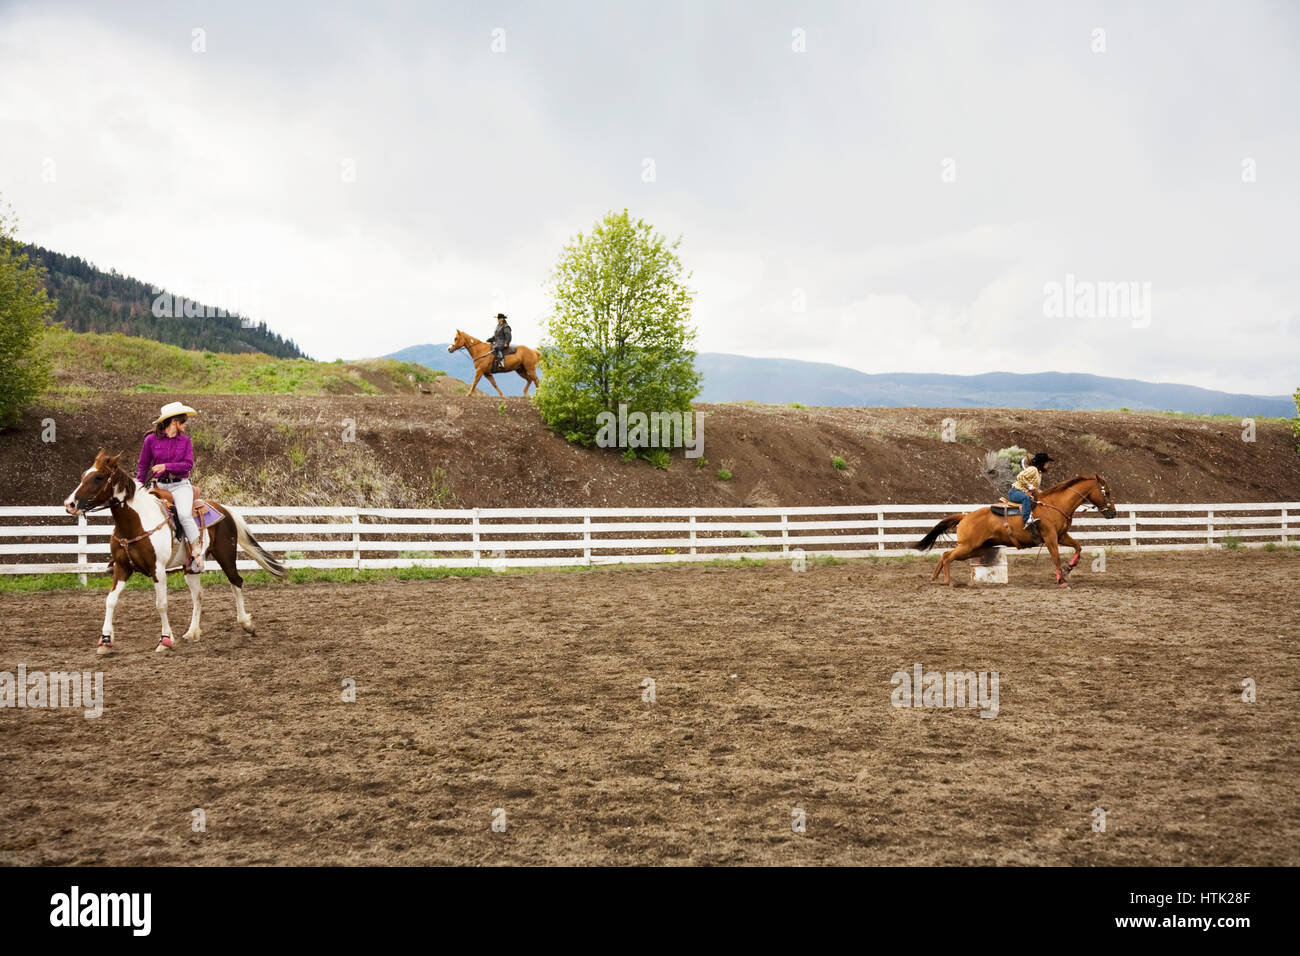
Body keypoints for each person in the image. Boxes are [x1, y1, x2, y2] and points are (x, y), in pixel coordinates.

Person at [136, 401, 204, 572]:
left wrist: (166, 467)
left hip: (181, 486)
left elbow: (188, 465)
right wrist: (138, 485)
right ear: (174, 422)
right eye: (183, 421)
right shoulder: (150, 440)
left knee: (183, 514)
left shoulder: (185, 441)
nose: (186, 424)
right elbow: (143, 465)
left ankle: (196, 549)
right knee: (143, 513)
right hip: (159, 486)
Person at [1008, 452, 1054, 535]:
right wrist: (1029, 486)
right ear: (1042, 463)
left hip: (1021, 492)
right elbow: (1020, 476)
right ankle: (1027, 520)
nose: (1047, 466)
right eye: (1046, 463)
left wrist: (1042, 494)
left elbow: (1034, 488)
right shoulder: (1033, 469)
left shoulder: (1038, 473)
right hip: (1015, 492)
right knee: (1026, 498)